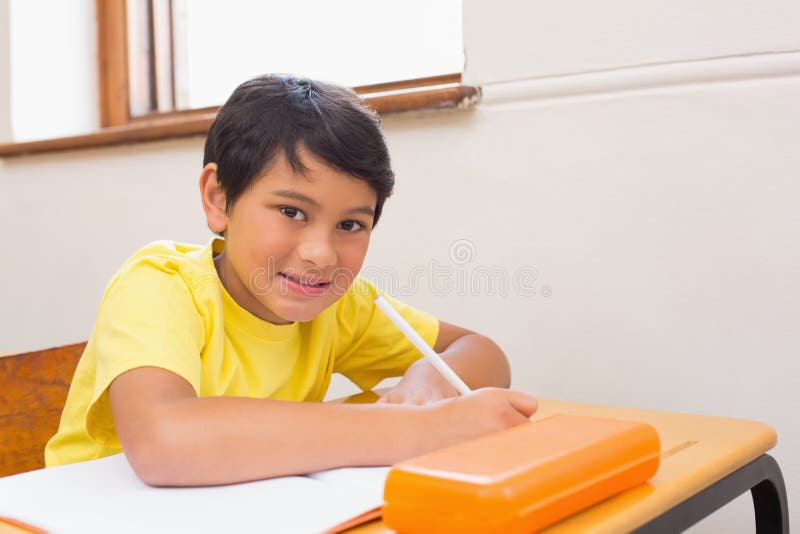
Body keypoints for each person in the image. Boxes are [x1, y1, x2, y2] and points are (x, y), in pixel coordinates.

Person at [45, 74, 538, 486]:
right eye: (291, 211)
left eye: (351, 225)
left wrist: (427, 383)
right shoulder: (158, 286)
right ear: (219, 199)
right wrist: (414, 431)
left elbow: (480, 351)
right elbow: (162, 443)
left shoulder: (341, 306)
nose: (321, 255)